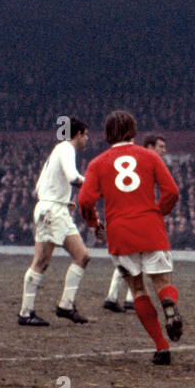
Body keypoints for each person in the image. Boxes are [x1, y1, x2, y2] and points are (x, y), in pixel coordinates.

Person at [78, 112, 182, 365]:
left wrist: (93, 223)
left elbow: (84, 201)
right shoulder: (150, 157)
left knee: (137, 289)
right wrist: (159, 212)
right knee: (162, 283)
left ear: (107, 134)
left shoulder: (97, 163)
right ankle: (168, 303)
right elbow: (172, 192)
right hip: (150, 228)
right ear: (133, 132)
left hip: (120, 232)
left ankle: (162, 347)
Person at [19, 118, 93, 326]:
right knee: (43, 261)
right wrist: (95, 185)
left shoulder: (58, 150)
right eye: (86, 134)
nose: (87, 139)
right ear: (78, 134)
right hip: (52, 211)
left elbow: (41, 183)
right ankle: (27, 312)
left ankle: (64, 306)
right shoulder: (67, 148)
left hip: (54, 208)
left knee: (81, 257)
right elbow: (72, 177)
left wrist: (62, 199)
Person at [104, 133, 167, 312]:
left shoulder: (136, 161)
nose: (164, 151)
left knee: (131, 258)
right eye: (160, 147)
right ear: (150, 147)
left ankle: (116, 297)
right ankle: (127, 298)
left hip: (127, 217)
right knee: (139, 258)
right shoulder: (146, 162)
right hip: (137, 217)